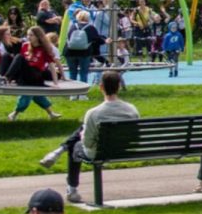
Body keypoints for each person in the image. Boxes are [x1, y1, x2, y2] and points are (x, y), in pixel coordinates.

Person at [55, 72, 139, 204]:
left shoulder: (93, 113)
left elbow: (87, 143)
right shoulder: (132, 110)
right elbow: (134, 135)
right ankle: (61, 150)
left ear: (101, 87)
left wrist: (82, 136)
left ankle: (72, 189)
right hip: (125, 150)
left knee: (75, 145)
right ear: (119, 87)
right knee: (80, 137)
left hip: (99, 152)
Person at [7, 28, 64, 122]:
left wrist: (55, 83)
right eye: (28, 35)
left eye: (31, 35)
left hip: (35, 75)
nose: (28, 37)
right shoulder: (25, 46)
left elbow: (52, 66)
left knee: (29, 94)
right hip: (24, 75)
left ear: (38, 37)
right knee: (36, 94)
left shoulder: (44, 48)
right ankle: (51, 113)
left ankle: (14, 114)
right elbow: (20, 63)